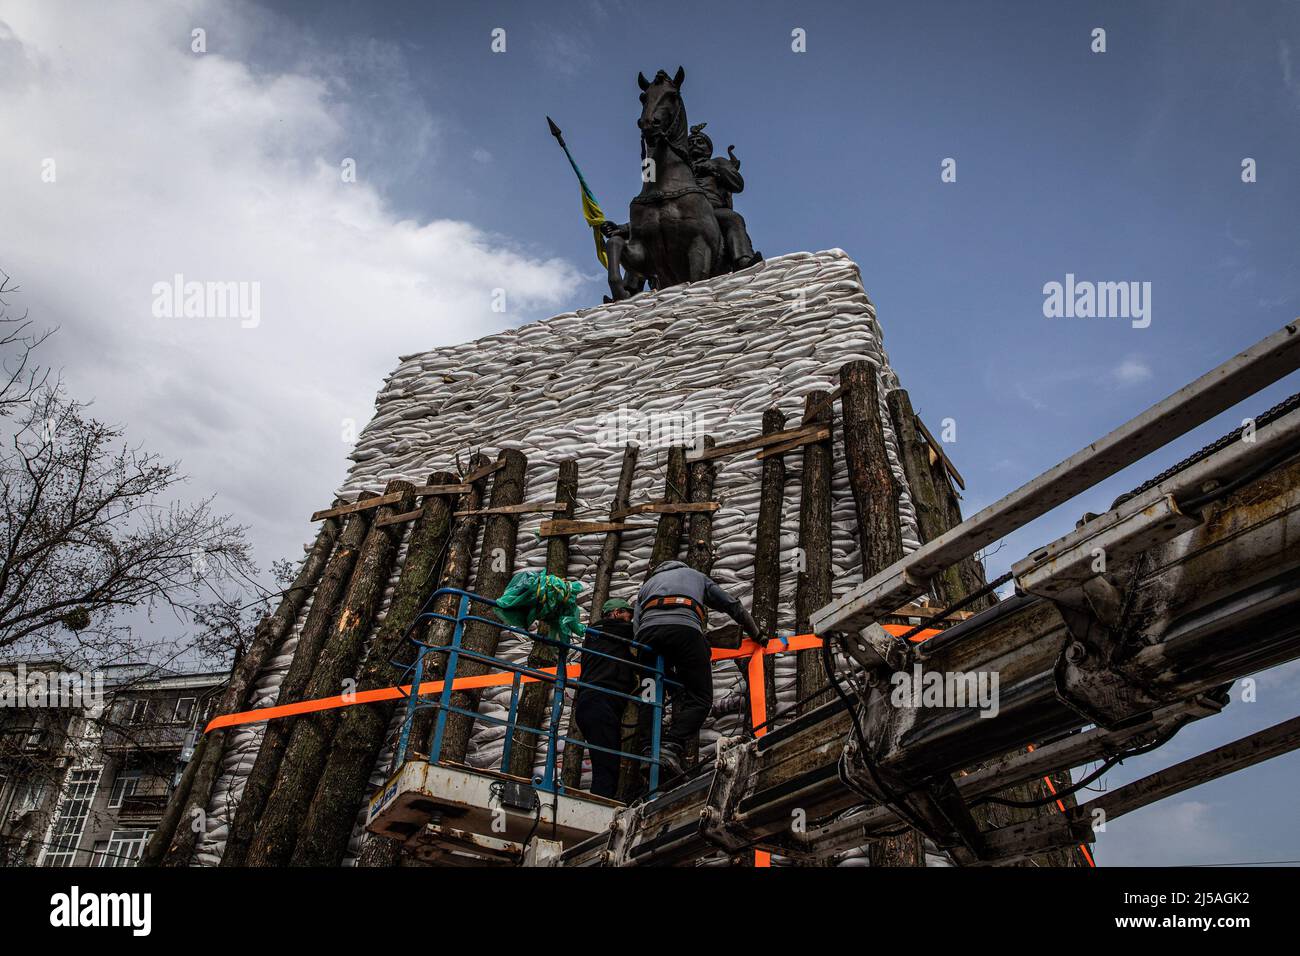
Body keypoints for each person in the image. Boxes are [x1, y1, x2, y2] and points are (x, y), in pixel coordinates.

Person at [634, 560, 764, 780]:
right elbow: (732, 605)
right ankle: (671, 745)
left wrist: (643, 651)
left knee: (649, 695)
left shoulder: (647, 585)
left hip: (648, 636)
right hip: (684, 630)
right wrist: (756, 633)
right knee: (701, 697)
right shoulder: (696, 576)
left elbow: (636, 624)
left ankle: (648, 747)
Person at [573, 598, 639, 798]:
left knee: (607, 762)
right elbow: (640, 632)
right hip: (599, 703)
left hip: (593, 705)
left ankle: (603, 800)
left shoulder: (602, 639)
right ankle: (600, 807)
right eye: (628, 615)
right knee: (607, 766)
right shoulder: (608, 628)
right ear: (617, 613)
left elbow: (629, 661)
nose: (630, 620)